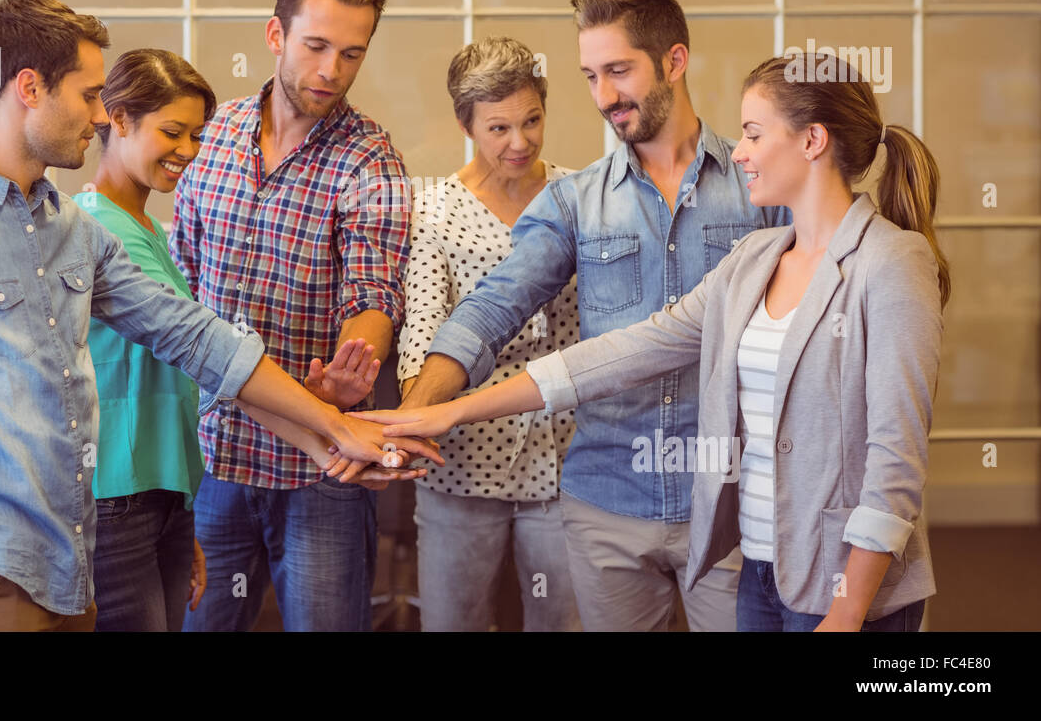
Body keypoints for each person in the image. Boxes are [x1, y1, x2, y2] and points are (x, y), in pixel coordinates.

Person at [0, 0, 438, 632]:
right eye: (89, 95)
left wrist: (331, 432)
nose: (100, 117)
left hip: (75, 572)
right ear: (30, 88)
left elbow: (194, 337)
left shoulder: (70, 228)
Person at [355, 52, 949, 632]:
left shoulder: (890, 261)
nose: (738, 152)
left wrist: (846, 613)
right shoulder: (755, 259)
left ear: (812, 141)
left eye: (752, 134)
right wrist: (449, 409)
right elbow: (624, 353)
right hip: (759, 570)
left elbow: (895, 459)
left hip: (842, 586)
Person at [395, 0, 791, 631]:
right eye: (589, 76)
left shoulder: (759, 189)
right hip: (605, 504)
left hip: (728, 502)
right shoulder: (573, 201)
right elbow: (490, 310)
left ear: (674, 60)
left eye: (618, 71)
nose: (605, 96)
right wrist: (417, 411)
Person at [174, 0, 414, 632]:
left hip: (322, 466)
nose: (331, 70)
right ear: (275, 35)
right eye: (316, 47)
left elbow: (373, 289)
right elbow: (179, 283)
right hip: (212, 453)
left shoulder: (371, 157)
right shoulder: (210, 136)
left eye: (351, 54)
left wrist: (352, 365)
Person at [395, 36, 581, 631]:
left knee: (565, 623)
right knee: (455, 622)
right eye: (499, 128)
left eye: (532, 121)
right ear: (465, 124)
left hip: (568, 457)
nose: (520, 142)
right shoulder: (434, 210)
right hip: (461, 461)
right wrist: (412, 415)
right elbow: (422, 327)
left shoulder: (579, 197)